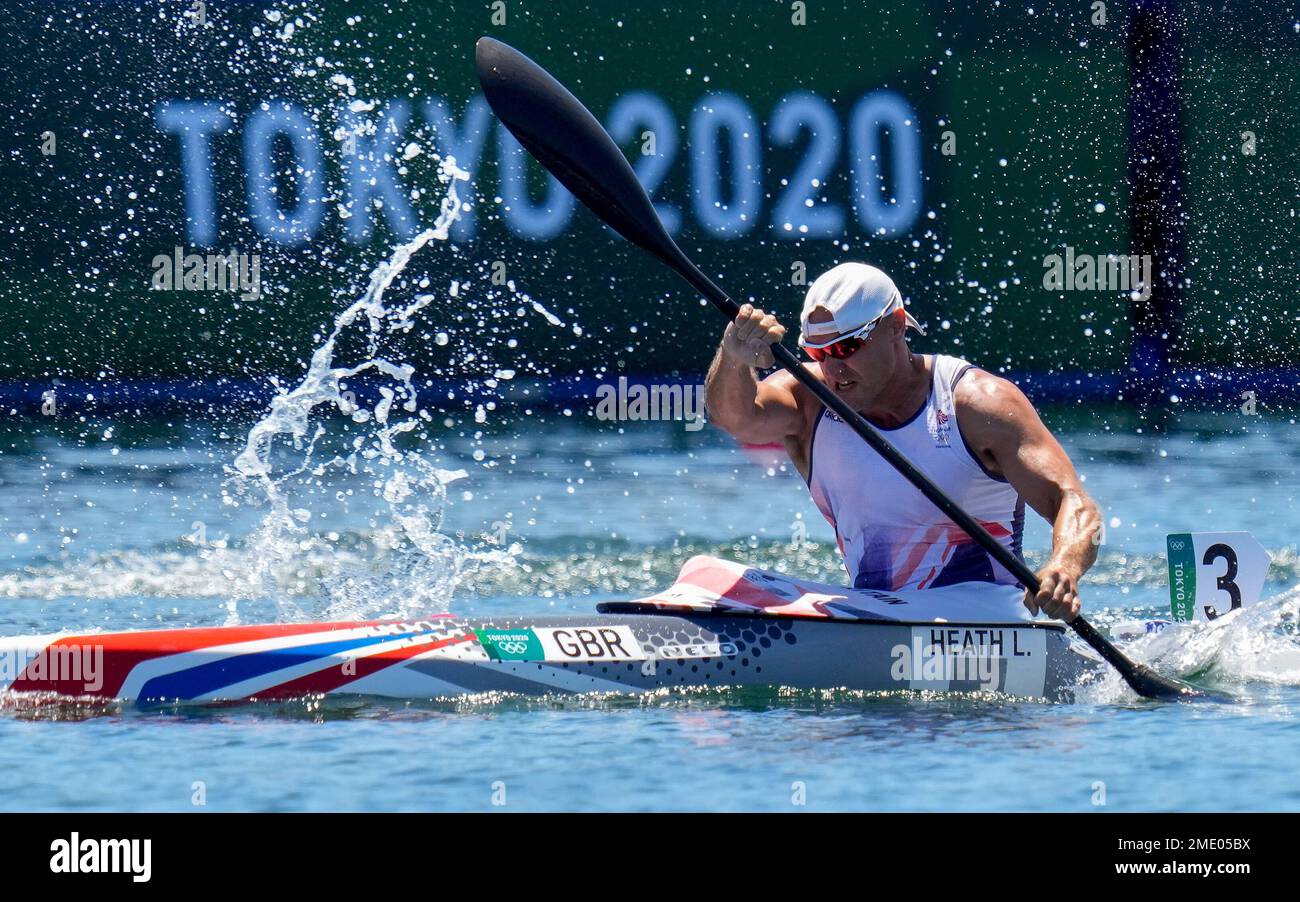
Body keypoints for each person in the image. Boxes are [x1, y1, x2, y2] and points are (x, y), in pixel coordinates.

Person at [704, 262, 1101, 621]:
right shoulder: (810, 398)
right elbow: (735, 418)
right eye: (818, 352)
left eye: (846, 347)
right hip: (878, 612)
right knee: (711, 574)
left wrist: (1063, 568)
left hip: (986, 614)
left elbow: (1071, 500)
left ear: (895, 325)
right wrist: (734, 355)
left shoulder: (977, 404)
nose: (833, 367)